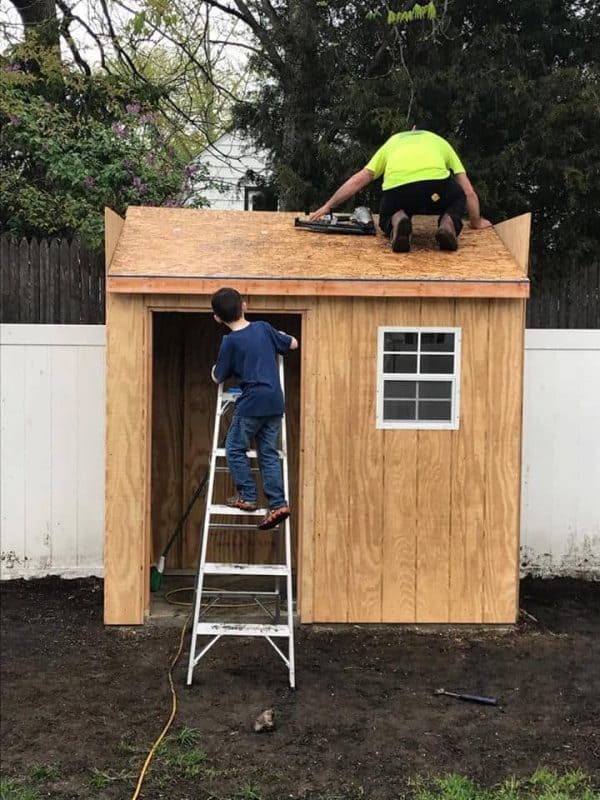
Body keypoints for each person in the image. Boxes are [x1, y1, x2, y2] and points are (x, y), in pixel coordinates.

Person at [309, 128, 492, 252]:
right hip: (436, 190)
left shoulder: (393, 142)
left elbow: (359, 179)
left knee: (388, 212)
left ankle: (397, 219)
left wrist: (328, 206)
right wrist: (476, 222)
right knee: (457, 195)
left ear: (411, 129)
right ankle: (448, 223)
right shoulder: (439, 141)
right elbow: (469, 192)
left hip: (399, 192)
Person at [211, 287, 299, 530]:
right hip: (274, 403)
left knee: (234, 447)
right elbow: (292, 344)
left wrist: (213, 370)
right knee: (268, 453)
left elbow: (218, 376)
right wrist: (280, 334)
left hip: (251, 405)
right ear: (245, 306)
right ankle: (278, 503)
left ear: (217, 317)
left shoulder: (230, 342)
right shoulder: (264, 328)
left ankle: (248, 495)